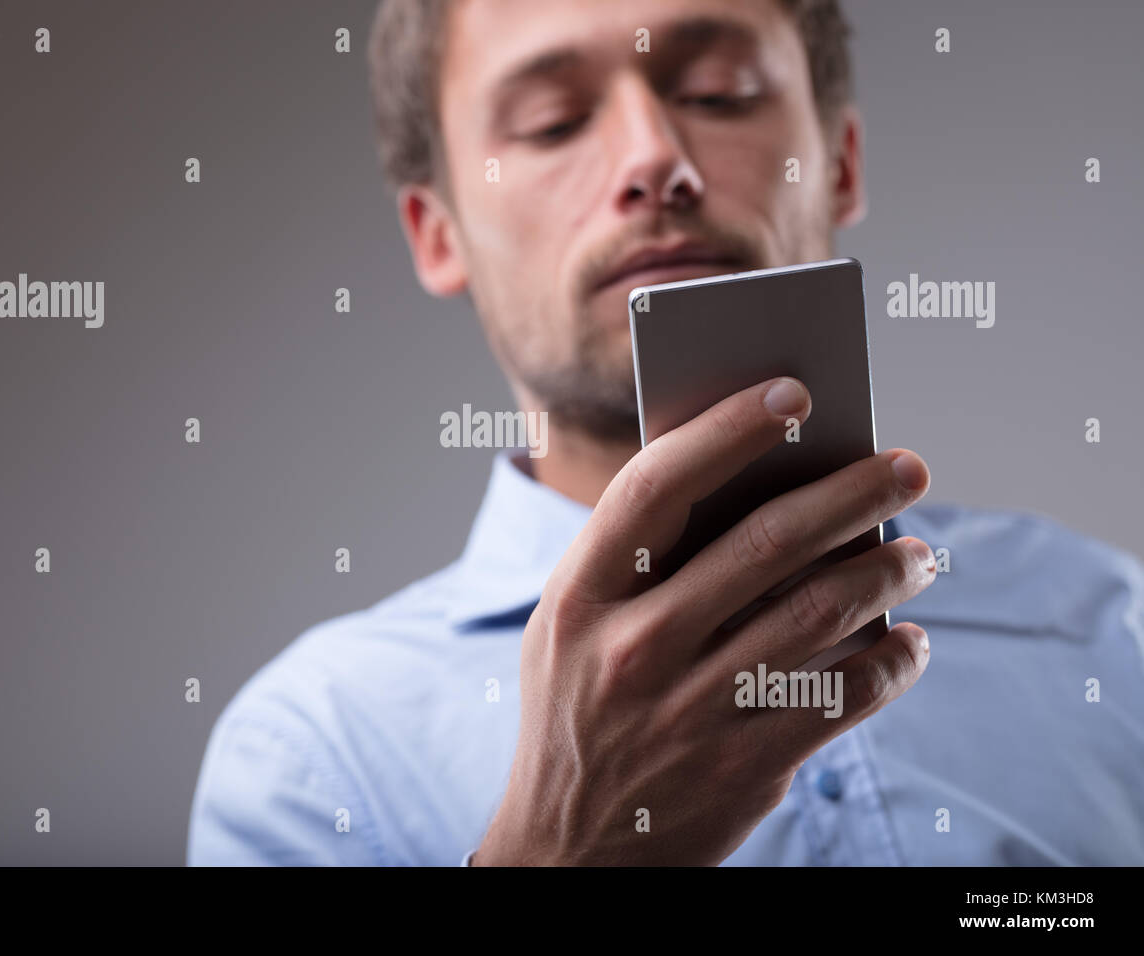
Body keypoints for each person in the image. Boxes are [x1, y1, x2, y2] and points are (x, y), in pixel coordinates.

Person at [188, 0, 1144, 865]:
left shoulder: (1115, 633)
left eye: (717, 94)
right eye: (552, 123)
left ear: (841, 164)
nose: (653, 160)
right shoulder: (310, 757)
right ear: (437, 233)